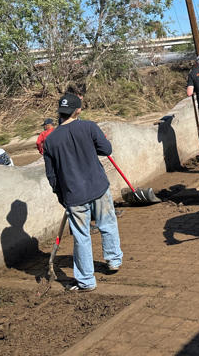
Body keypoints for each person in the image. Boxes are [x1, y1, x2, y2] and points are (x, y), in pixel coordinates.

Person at [43, 93, 122, 291]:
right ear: (77, 110)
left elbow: (52, 176)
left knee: (81, 236)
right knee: (108, 224)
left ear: (60, 112)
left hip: (74, 195)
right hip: (99, 188)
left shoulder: (50, 141)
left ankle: (86, 281)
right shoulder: (89, 127)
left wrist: (61, 196)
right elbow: (106, 149)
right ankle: (113, 260)